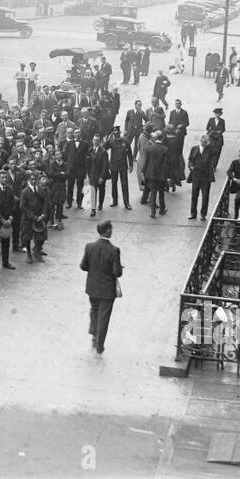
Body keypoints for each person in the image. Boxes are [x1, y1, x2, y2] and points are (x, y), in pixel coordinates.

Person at [80, 221, 123, 355]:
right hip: (107, 290)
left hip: (92, 287)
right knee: (104, 316)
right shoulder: (114, 250)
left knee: (94, 310)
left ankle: (94, 335)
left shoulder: (89, 247)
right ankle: (100, 344)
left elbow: (83, 266)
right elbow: (117, 272)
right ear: (108, 231)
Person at [187, 134, 216, 221]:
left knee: (205, 196)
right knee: (194, 195)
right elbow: (190, 160)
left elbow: (215, 152)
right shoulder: (194, 148)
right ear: (201, 140)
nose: (206, 143)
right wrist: (190, 166)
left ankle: (203, 214)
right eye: (205, 141)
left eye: (208, 141)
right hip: (196, 174)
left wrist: (209, 144)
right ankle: (193, 213)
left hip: (206, 176)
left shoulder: (210, 150)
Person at [143, 129, 170, 217]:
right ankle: (162, 209)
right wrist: (167, 176)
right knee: (161, 193)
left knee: (153, 193)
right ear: (162, 139)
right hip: (161, 175)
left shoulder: (150, 148)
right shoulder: (165, 149)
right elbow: (166, 164)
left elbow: (146, 161)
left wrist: (144, 172)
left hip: (151, 174)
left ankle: (153, 212)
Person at [105, 128, 132, 210]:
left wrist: (131, 165)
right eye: (114, 133)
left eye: (117, 133)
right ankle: (115, 200)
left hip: (123, 166)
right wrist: (108, 138)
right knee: (114, 183)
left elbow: (130, 154)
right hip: (113, 166)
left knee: (124, 184)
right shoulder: (111, 141)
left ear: (120, 133)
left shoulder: (125, 141)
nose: (116, 135)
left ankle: (126, 202)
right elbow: (104, 147)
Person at [87, 133, 109, 217]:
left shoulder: (103, 152)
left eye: (97, 140)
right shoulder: (90, 150)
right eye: (94, 140)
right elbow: (88, 163)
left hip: (100, 174)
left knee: (101, 190)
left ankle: (100, 203)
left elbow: (105, 166)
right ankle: (93, 209)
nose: (95, 142)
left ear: (100, 142)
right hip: (92, 174)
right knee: (93, 191)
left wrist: (102, 177)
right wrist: (88, 173)